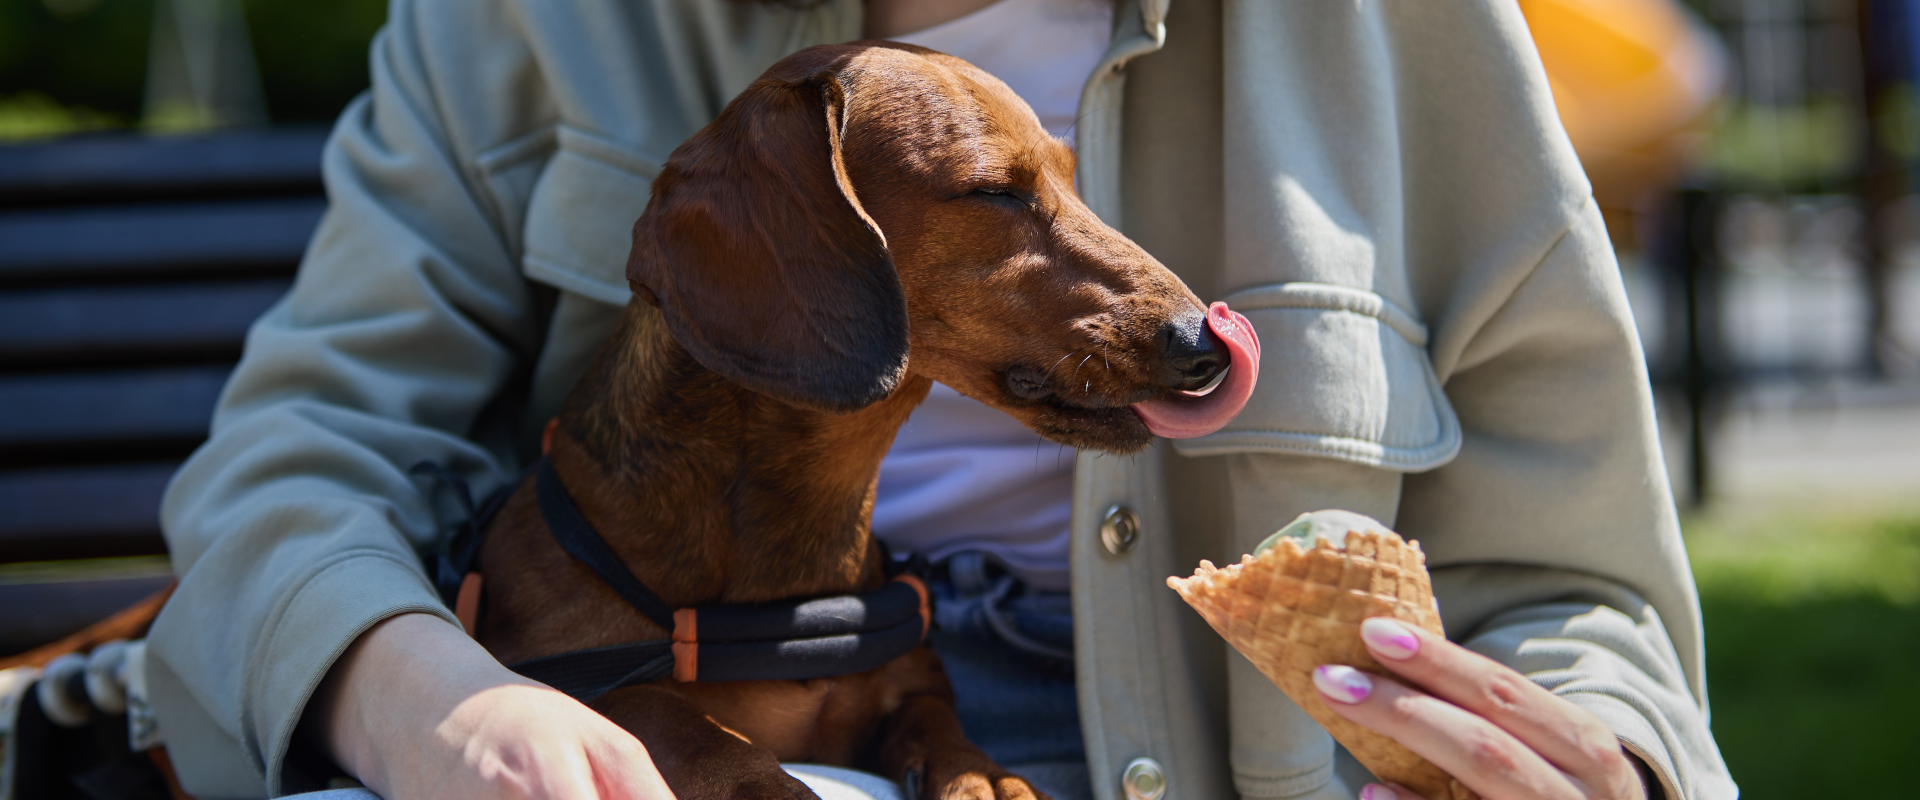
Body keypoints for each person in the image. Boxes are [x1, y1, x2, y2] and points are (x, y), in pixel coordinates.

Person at [146, 0, 1738, 798]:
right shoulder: (525, 21)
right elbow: (301, 459)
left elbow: (1575, 584)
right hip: (667, 722)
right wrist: (431, 702)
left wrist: (1590, 754)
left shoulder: (1400, 30)